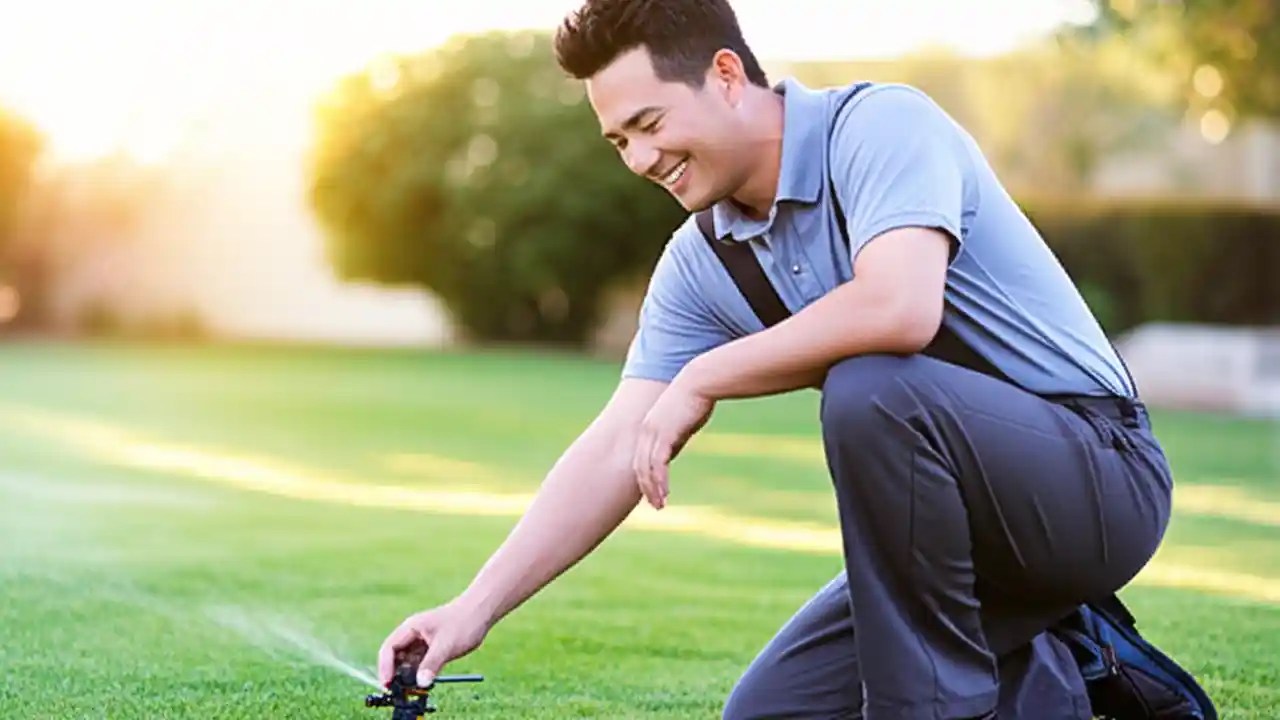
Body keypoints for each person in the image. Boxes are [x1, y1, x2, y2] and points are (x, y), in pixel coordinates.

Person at [377, 1, 1180, 718]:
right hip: (947, 541)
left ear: (726, 75)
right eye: (619, 139)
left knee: (874, 388)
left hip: (1097, 481)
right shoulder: (704, 261)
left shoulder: (878, 128)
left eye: (650, 125)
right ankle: (1082, 672)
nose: (638, 160)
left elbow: (899, 307)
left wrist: (705, 376)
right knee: (770, 712)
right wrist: (472, 608)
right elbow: (621, 438)